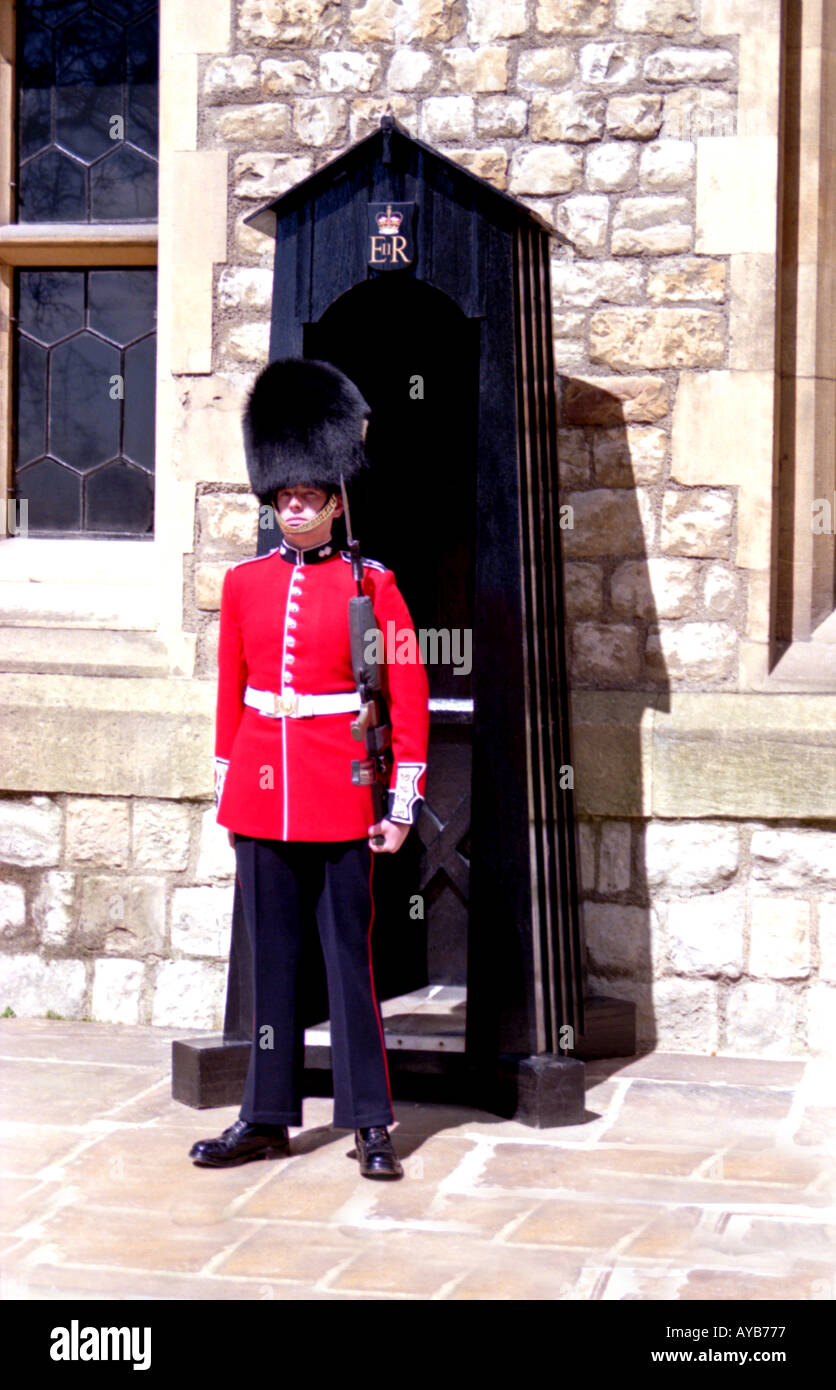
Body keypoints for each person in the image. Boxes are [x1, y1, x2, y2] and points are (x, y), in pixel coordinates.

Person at [189, 357, 429, 1179]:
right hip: (259, 793)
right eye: (284, 496)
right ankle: (265, 1116)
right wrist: (227, 787)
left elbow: (407, 691)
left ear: (334, 498)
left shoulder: (374, 586)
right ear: (274, 499)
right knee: (271, 966)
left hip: (340, 795)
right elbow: (232, 694)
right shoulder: (245, 584)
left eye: (309, 495)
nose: (296, 507)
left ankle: (369, 1122)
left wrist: (398, 803)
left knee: (347, 964)